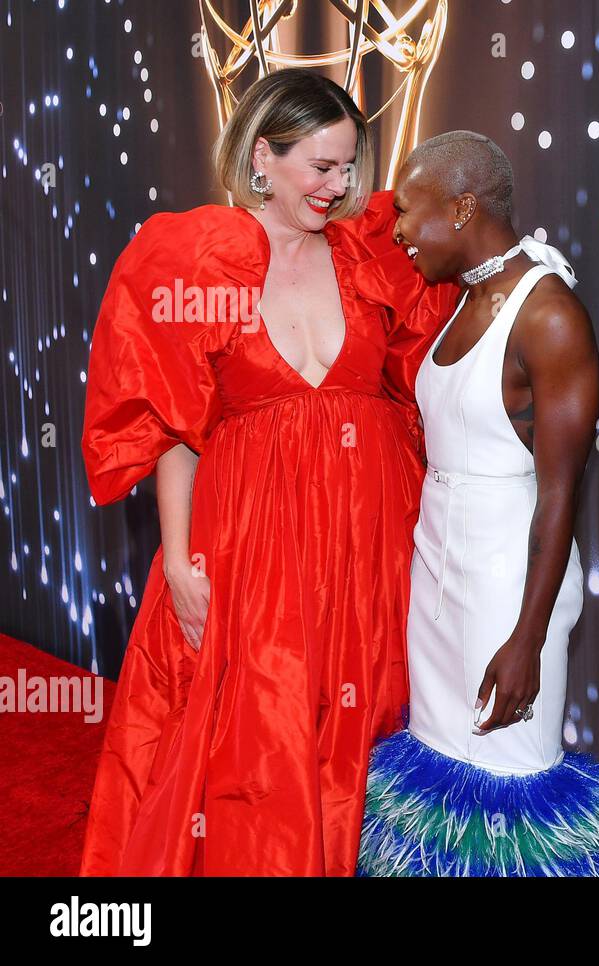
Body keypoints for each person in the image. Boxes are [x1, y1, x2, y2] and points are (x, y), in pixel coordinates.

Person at [78, 69, 456, 875]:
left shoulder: (369, 252)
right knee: (259, 736)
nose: (341, 185)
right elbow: (174, 427)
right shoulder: (199, 257)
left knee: (378, 720)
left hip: (374, 535)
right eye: (321, 166)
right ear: (261, 156)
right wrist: (180, 563)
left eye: (350, 165)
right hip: (254, 540)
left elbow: (434, 372)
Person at [354, 132, 599, 877]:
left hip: (510, 585)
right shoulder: (461, 301)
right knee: (441, 766)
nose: (398, 232)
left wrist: (527, 637)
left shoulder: (548, 316)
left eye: (409, 214)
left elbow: (560, 495)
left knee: (508, 780)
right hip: (440, 571)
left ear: (462, 207)